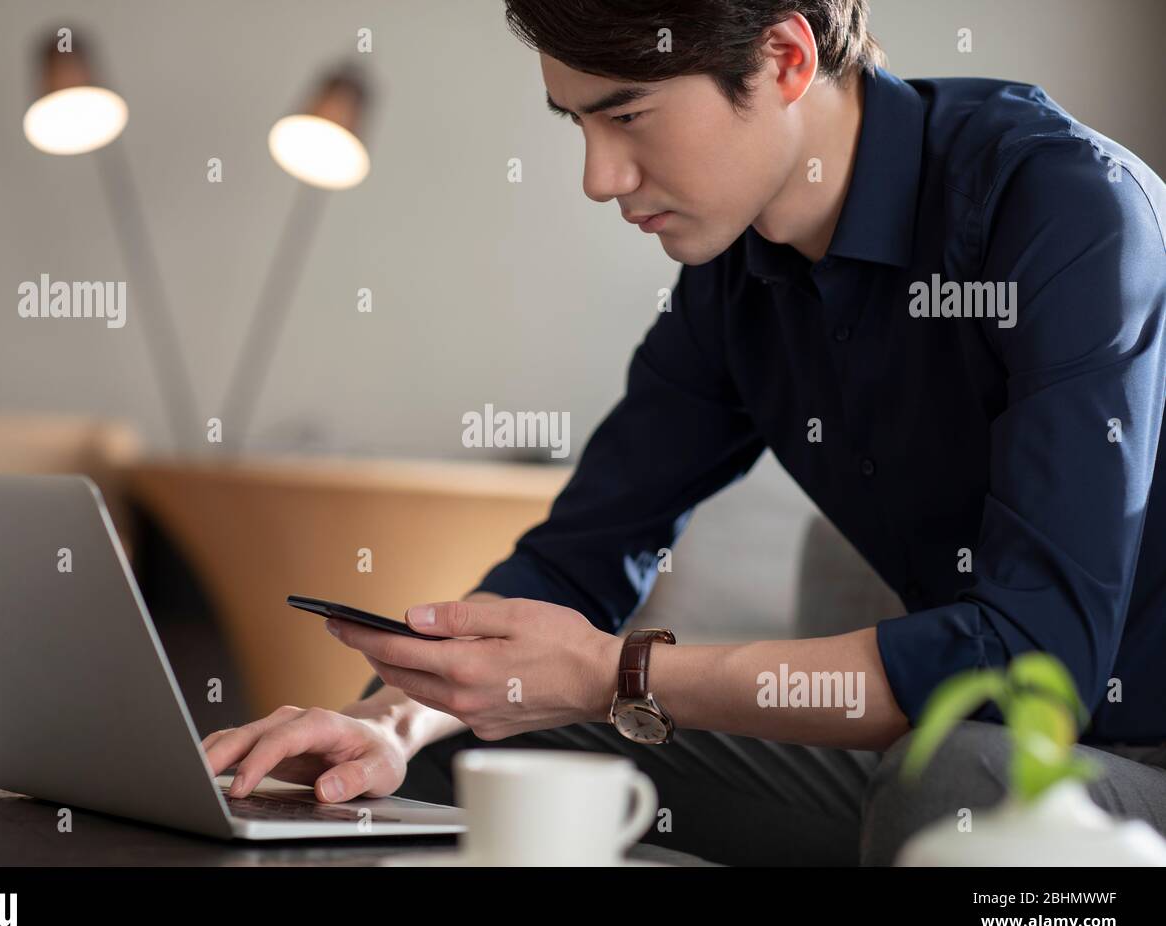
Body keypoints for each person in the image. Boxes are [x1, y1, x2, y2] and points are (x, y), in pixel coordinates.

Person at [202, 0, 1166, 865]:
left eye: (625, 115)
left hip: (1110, 770)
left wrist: (619, 673)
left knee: (962, 780)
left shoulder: (1063, 208)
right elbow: (578, 562)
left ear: (786, 59)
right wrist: (391, 725)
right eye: (577, 123)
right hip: (919, 758)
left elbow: (1030, 677)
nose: (597, 176)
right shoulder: (735, 279)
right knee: (483, 754)